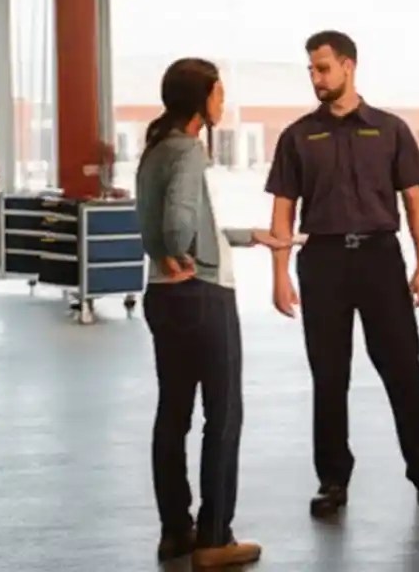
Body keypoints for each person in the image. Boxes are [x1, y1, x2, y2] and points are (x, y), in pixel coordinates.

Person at [264, 30, 419, 520]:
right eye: (311, 69)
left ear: (348, 66)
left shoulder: (390, 129)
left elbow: (415, 204)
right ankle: (332, 480)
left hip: (380, 259)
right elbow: (283, 209)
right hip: (322, 261)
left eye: (323, 68)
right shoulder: (298, 136)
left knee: (404, 371)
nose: (316, 77)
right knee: (329, 375)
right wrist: (279, 274)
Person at [136, 57, 286, 567]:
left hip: (163, 296)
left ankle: (176, 531)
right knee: (223, 415)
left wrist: (249, 237)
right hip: (203, 295)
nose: (223, 101)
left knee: (172, 414)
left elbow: (169, 221)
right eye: (219, 93)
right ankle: (215, 538)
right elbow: (179, 220)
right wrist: (179, 248)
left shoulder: (155, 149)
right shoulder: (189, 149)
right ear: (202, 99)